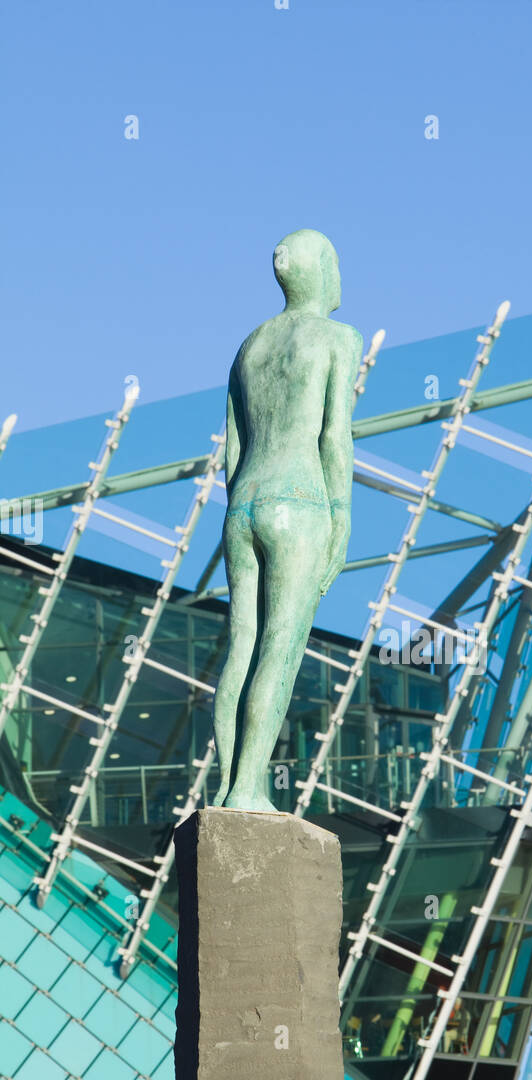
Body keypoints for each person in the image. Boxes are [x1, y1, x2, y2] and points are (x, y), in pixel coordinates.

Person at [212, 230, 362, 811]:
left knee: (242, 645)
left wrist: (243, 504)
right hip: (299, 499)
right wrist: (342, 517)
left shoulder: (249, 347)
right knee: (282, 643)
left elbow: (231, 451)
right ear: (321, 268)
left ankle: (227, 785)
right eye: (336, 260)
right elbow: (334, 435)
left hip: (244, 501)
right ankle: (250, 790)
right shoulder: (336, 338)